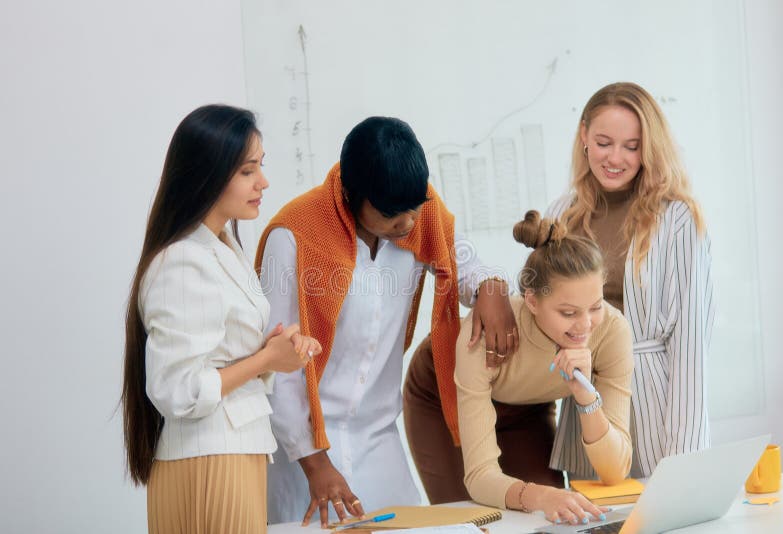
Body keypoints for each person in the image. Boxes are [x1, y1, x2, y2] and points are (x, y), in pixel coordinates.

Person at [256, 116, 518, 526]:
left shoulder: (415, 209)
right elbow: (279, 367)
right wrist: (314, 464)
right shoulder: (294, 236)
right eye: (394, 216)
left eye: (416, 211)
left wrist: (491, 285)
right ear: (350, 195)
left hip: (379, 439)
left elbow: (462, 262)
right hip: (301, 450)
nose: (409, 224)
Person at [121, 104, 321, 533]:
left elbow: (218, 357)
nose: (263, 182)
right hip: (210, 457)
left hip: (233, 450)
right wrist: (267, 361)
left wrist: (273, 351)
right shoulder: (183, 261)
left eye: (260, 167)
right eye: (248, 171)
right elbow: (180, 389)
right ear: (207, 174)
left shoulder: (224, 246)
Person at [547, 81, 714, 478]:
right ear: (584, 136)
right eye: (604, 142)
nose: (615, 158)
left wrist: (685, 455)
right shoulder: (561, 216)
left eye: (632, 146)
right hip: (588, 404)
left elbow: (691, 343)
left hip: (654, 400)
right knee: (601, 521)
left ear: (648, 148)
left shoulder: (677, 220)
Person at [456, 210, 633, 527]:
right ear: (532, 302)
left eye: (595, 306)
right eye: (568, 312)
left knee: (550, 518)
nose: (584, 325)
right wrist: (537, 496)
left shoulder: (612, 331)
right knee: (475, 519)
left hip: (528, 407)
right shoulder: (484, 335)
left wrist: (584, 394)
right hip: (447, 396)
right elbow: (479, 476)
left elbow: (615, 469)